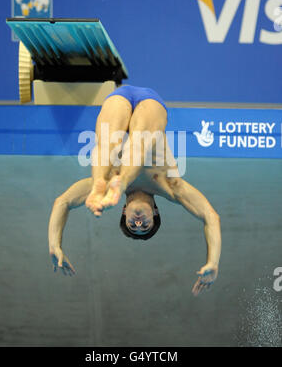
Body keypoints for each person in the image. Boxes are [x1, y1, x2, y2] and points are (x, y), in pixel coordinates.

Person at [48, 85, 221, 296]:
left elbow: (62, 202)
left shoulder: (109, 185)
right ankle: (119, 182)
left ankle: (103, 183)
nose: (138, 222)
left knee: (107, 145)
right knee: (140, 143)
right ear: (155, 213)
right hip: (150, 106)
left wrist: (55, 245)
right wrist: (213, 262)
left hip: (117, 101)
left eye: (133, 225)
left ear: (124, 212)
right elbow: (210, 216)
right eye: (144, 226)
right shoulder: (171, 187)